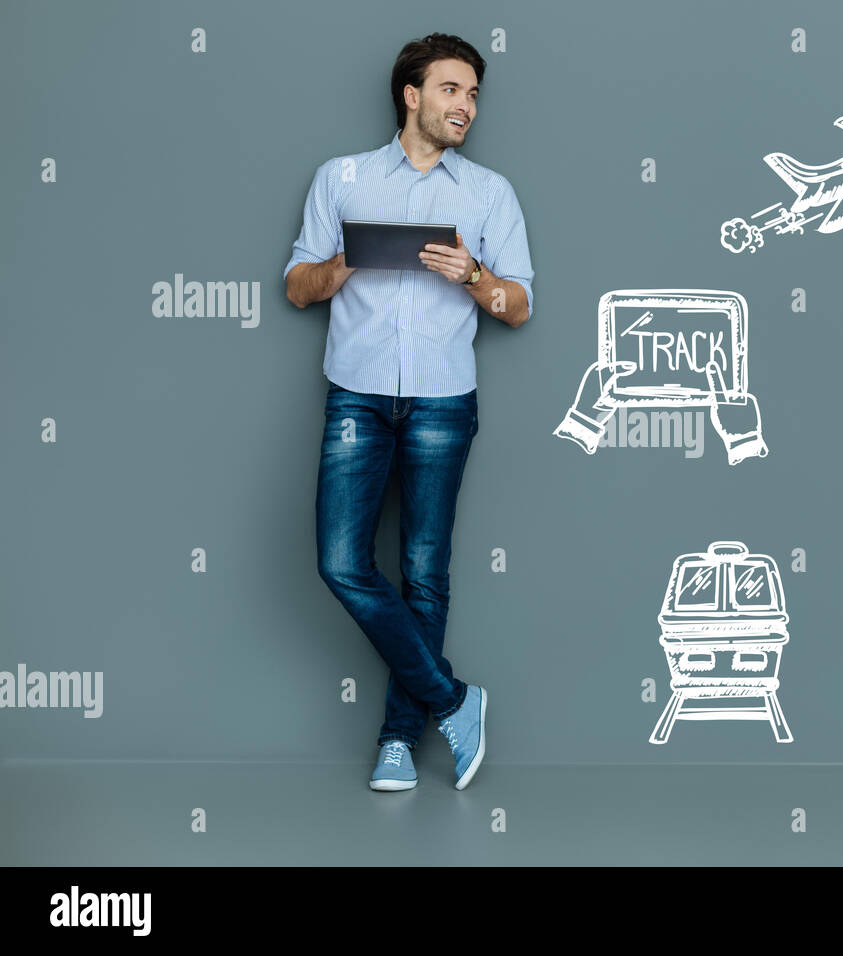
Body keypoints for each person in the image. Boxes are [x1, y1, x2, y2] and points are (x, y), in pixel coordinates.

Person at [282, 33, 534, 792]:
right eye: (452, 90)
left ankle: (399, 739)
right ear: (412, 95)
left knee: (425, 572)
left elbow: (517, 307)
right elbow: (297, 286)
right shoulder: (344, 177)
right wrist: (342, 264)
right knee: (341, 562)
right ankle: (455, 700)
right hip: (356, 394)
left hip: (441, 401)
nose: (466, 106)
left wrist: (475, 277)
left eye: (474, 95)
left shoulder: (488, 193)